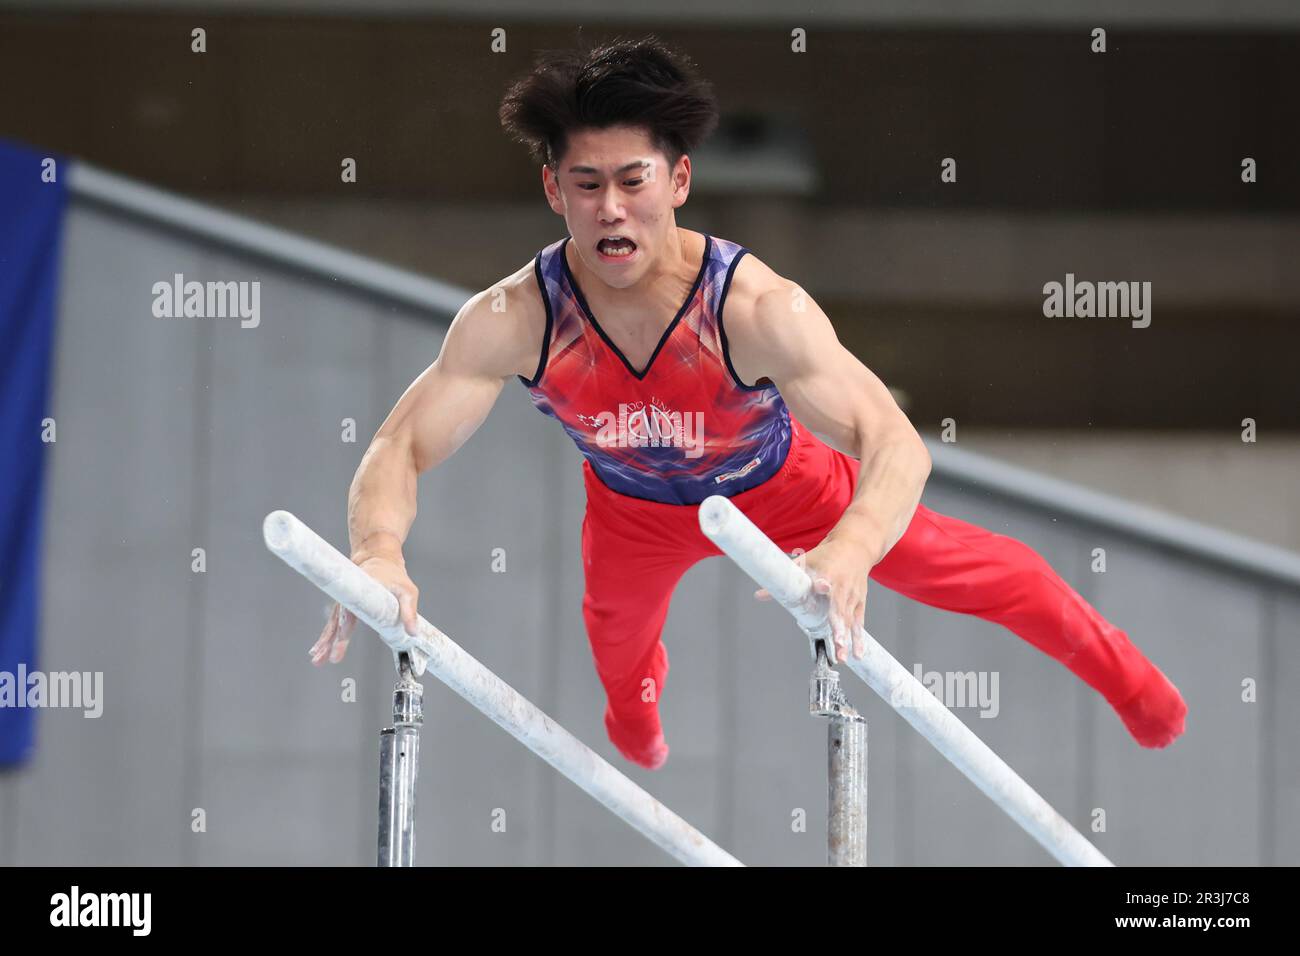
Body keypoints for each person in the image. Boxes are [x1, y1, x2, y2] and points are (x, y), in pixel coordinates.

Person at [310, 36, 1186, 769]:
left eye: (633, 179)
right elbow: (399, 445)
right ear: (553, 191)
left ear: (680, 180)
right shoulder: (516, 317)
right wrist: (377, 550)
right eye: (586, 184)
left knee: (990, 573)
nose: (611, 209)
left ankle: (1140, 693)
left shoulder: (755, 308)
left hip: (786, 489)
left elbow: (896, 442)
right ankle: (638, 722)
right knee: (618, 651)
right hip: (631, 514)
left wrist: (847, 549)